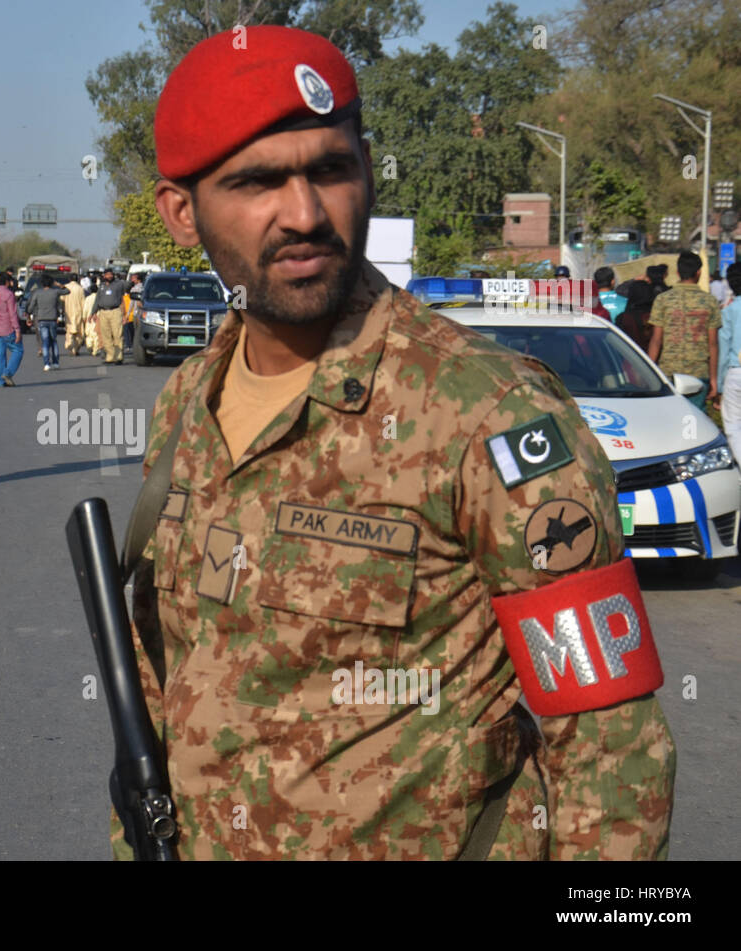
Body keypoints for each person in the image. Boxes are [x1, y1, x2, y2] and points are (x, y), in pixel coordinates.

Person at [117, 25, 675, 861]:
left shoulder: (487, 412)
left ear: (366, 168)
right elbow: (161, 685)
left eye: (331, 170)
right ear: (179, 210)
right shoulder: (186, 404)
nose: (305, 214)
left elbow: (611, 745)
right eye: (258, 182)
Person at [647, 251, 720, 409]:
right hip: (699, 372)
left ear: (678, 272)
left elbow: (656, 340)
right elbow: (713, 344)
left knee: (670, 419)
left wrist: (648, 372)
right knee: (696, 423)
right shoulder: (710, 301)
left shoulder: (663, 300)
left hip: (669, 372)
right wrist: (714, 379)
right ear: (699, 273)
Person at [718, 263, 741, 456]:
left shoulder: (729, 311)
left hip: (736, 373)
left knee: (734, 427)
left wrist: (718, 386)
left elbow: (723, 351)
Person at [0, 272, 23, 386]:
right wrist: (17, 329)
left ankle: (1, 381)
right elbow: (12, 313)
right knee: (18, 350)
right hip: (8, 328)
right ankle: (7, 373)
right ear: (7, 282)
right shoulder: (9, 294)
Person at [28, 273, 69, 371]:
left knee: (45, 342)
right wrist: (59, 285)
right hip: (53, 320)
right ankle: (55, 363)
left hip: (41, 320)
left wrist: (29, 313)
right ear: (51, 283)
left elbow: (31, 306)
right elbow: (67, 291)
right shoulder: (55, 292)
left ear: (41, 283)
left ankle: (47, 363)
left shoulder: (37, 293)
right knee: (54, 341)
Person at [91, 267, 128, 363]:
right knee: (105, 335)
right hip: (103, 312)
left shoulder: (118, 284)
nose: (109, 276)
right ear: (104, 276)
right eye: (107, 274)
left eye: (111, 274)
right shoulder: (102, 286)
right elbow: (97, 300)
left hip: (115, 311)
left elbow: (127, 288)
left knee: (117, 334)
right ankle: (110, 356)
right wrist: (93, 312)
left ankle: (119, 356)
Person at [61, 275, 87, 356]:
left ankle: (70, 345)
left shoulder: (65, 287)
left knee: (69, 330)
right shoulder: (80, 289)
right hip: (78, 312)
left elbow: (62, 299)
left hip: (68, 312)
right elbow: (83, 302)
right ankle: (75, 348)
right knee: (79, 331)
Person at [123, 272, 143, 353]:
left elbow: (131, 303)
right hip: (140, 313)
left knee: (136, 331)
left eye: (133, 278)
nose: (132, 279)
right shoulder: (144, 287)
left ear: (138, 279)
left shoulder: (135, 289)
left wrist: (127, 314)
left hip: (137, 313)